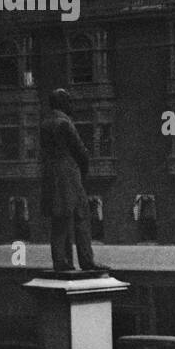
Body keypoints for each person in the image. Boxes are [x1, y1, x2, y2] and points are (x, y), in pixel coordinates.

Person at [39, 88, 106, 272]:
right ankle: (86, 261)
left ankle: (61, 262)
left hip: (52, 178)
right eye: (69, 101)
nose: (71, 105)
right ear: (62, 103)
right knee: (81, 217)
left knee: (59, 221)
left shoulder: (44, 124)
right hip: (70, 176)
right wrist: (83, 173)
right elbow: (81, 151)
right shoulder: (65, 123)